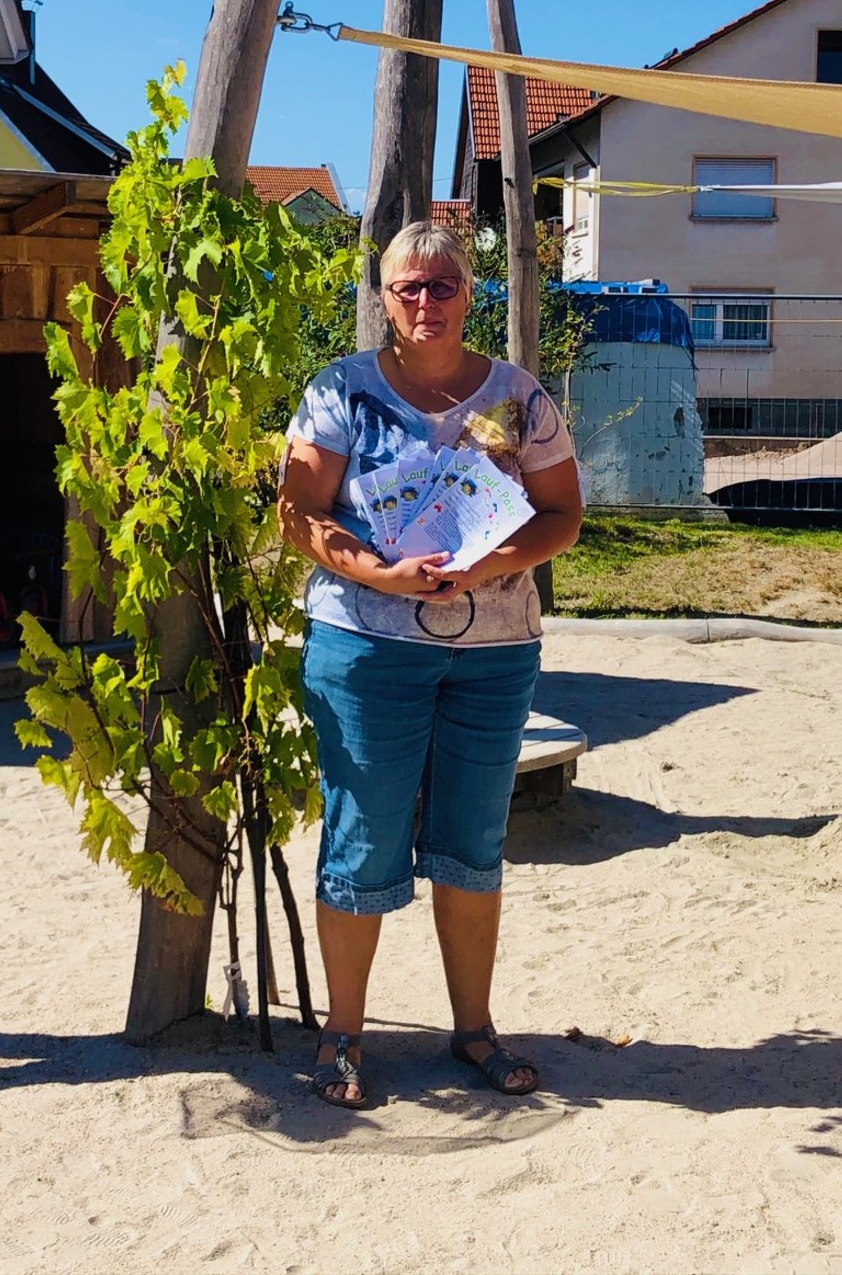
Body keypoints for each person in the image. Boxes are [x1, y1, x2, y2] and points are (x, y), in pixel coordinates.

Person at [277, 221, 582, 1108]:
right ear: (383, 296)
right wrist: (384, 573)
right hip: (366, 650)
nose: (425, 301)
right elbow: (299, 514)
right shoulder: (339, 392)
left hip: (494, 656)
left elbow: (563, 514)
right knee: (362, 838)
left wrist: (492, 566)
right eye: (407, 287)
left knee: (472, 844)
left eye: (443, 285)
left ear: (470, 292)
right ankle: (343, 1034)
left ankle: (474, 1029)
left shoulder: (521, 397)